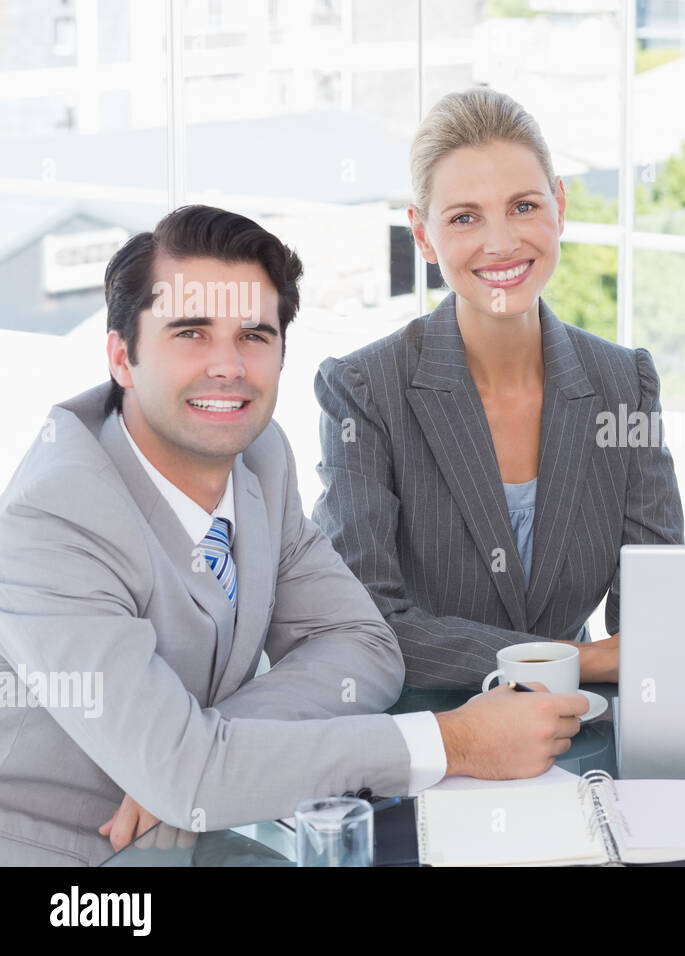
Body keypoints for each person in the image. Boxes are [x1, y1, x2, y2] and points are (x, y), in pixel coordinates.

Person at [0, 205, 587, 866]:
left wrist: (201, 755)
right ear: (122, 358)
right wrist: (452, 741)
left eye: (253, 334)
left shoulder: (259, 455)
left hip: (211, 834)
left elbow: (364, 646)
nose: (228, 367)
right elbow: (191, 778)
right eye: (191, 332)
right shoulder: (52, 519)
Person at [312, 88, 684, 689]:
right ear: (424, 235)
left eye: (523, 206)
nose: (502, 242)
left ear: (559, 206)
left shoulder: (624, 385)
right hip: (432, 733)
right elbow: (366, 623)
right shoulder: (365, 391)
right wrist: (574, 660)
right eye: (465, 217)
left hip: (580, 730)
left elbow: (657, 612)